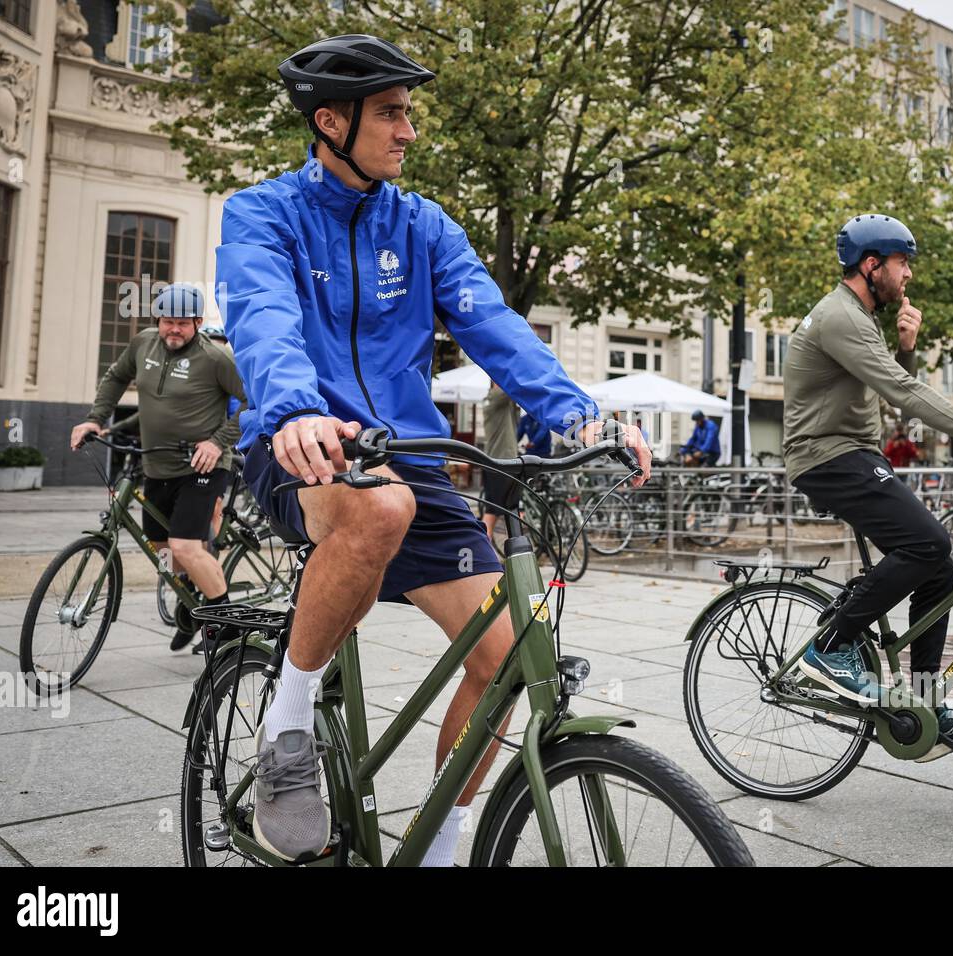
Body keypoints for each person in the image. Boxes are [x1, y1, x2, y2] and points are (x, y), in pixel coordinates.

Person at [216, 34, 651, 865]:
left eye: (409, 113)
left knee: (514, 654)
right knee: (383, 504)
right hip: (302, 451)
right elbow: (265, 318)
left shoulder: (422, 225)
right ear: (330, 121)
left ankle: (439, 847)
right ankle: (288, 725)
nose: (409, 130)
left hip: (406, 457)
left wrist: (579, 416)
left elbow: (494, 325)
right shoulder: (262, 214)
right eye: (391, 113)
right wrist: (297, 411)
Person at [782, 213, 953, 761]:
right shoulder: (841, 318)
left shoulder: (858, 318)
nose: (908, 276)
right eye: (902, 263)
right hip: (827, 458)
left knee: (940, 566)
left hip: (853, 454)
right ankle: (831, 646)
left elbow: (887, 391)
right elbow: (903, 392)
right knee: (929, 543)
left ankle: (925, 704)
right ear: (871, 265)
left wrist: (904, 346)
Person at [70, 284, 246, 651]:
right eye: (168, 321)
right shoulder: (143, 345)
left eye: (183, 323)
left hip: (203, 465)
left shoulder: (216, 359)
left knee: (184, 546)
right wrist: (95, 419)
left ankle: (227, 628)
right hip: (157, 464)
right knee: (162, 549)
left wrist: (217, 443)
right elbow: (116, 377)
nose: (174, 330)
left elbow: (255, 403)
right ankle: (191, 604)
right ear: (158, 320)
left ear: (198, 322)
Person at [479, 381, 521, 537]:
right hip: (503, 462)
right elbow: (516, 383)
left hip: (492, 462)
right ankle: (518, 553)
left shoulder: (491, 399)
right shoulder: (498, 395)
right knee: (514, 510)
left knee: (491, 511)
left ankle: (483, 551)